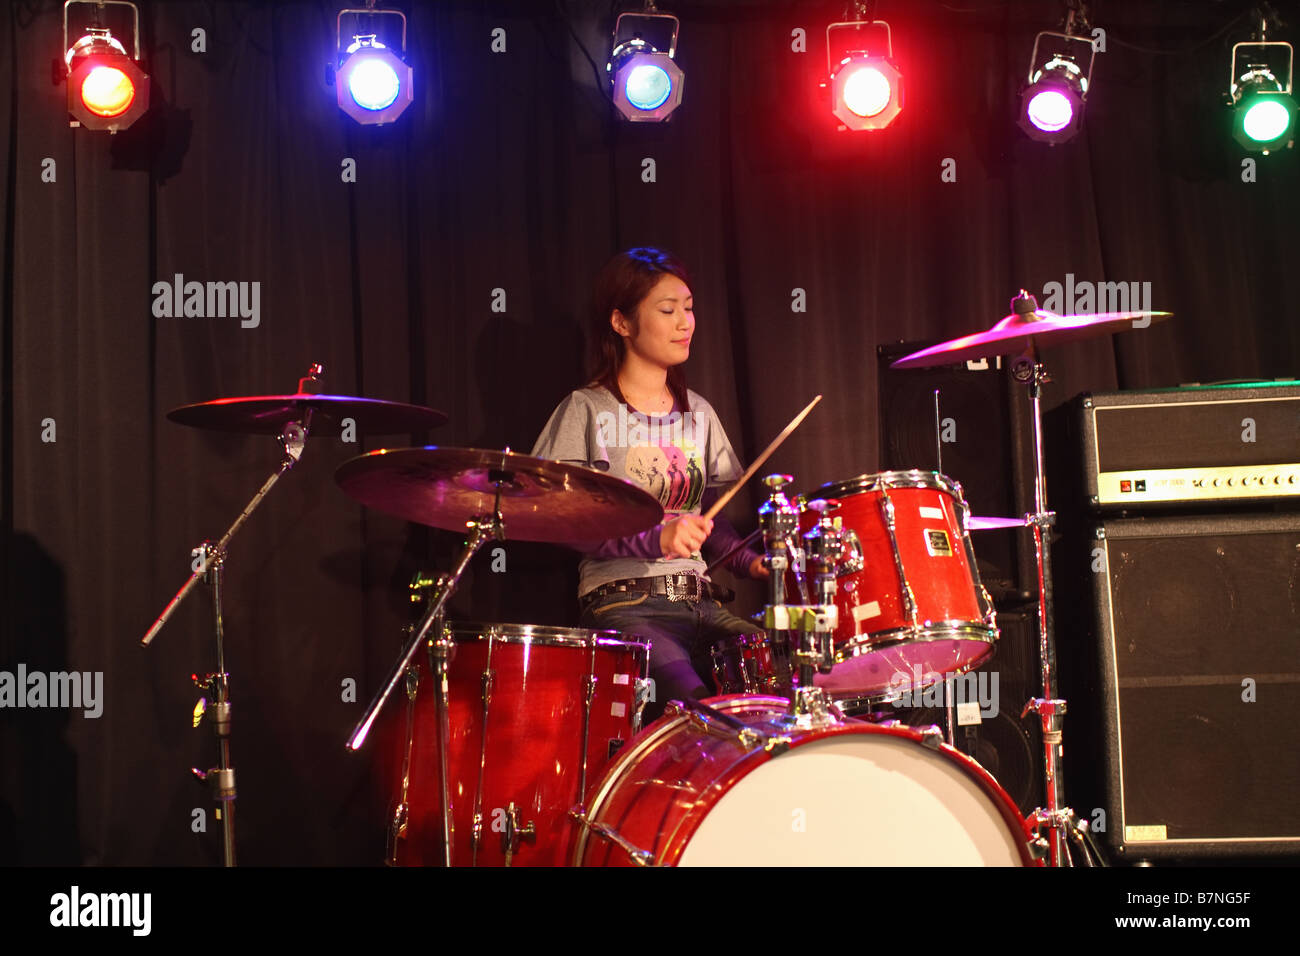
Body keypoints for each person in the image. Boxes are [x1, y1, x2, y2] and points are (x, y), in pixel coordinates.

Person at [531, 248, 767, 723]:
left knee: (777, 687)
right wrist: (654, 538)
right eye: (667, 310)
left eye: (689, 307)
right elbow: (559, 517)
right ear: (621, 322)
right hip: (626, 602)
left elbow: (704, 522)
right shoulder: (588, 409)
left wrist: (748, 560)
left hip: (700, 599)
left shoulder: (697, 411)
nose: (685, 322)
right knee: (708, 714)